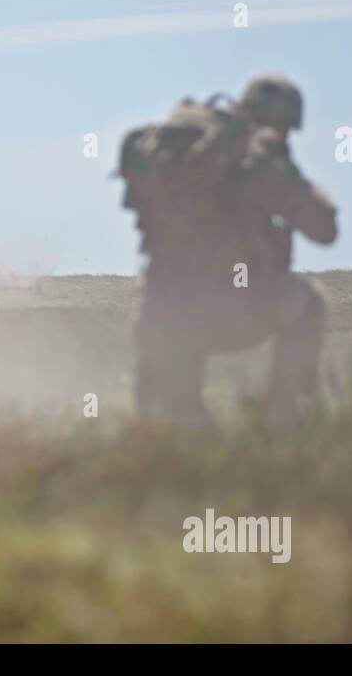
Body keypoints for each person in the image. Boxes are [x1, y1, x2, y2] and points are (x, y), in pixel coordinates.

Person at [123, 75, 338, 425]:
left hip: (159, 313)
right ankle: (284, 416)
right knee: (309, 302)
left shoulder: (181, 149)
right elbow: (325, 229)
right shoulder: (260, 158)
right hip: (228, 309)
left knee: (171, 433)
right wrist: (294, 176)